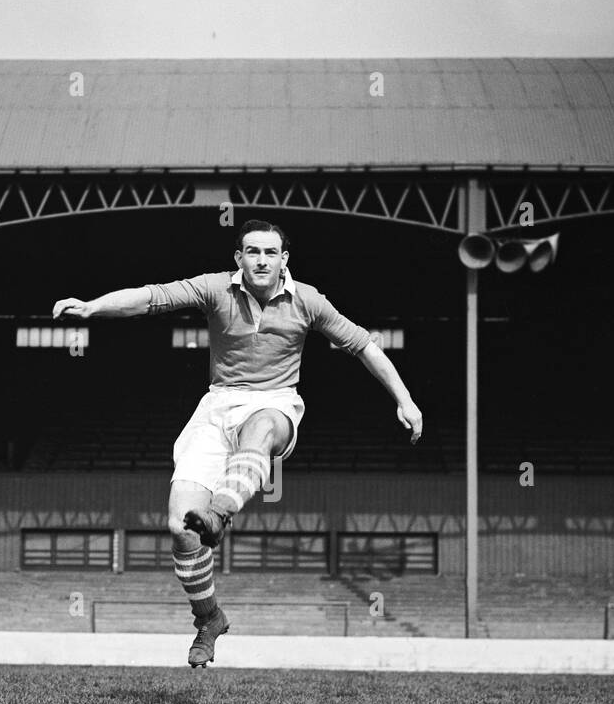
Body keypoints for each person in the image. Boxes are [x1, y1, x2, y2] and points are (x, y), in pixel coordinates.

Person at [52, 219, 423, 667]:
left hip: (276, 403)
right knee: (178, 527)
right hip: (217, 405)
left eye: (270, 252)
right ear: (239, 258)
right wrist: (93, 308)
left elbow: (364, 345)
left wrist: (404, 399)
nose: (261, 260)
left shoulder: (308, 300)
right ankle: (208, 618)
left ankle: (221, 513)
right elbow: (153, 297)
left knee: (261, 427)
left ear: (285, 259)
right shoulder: (215, 289)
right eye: (252, 251)